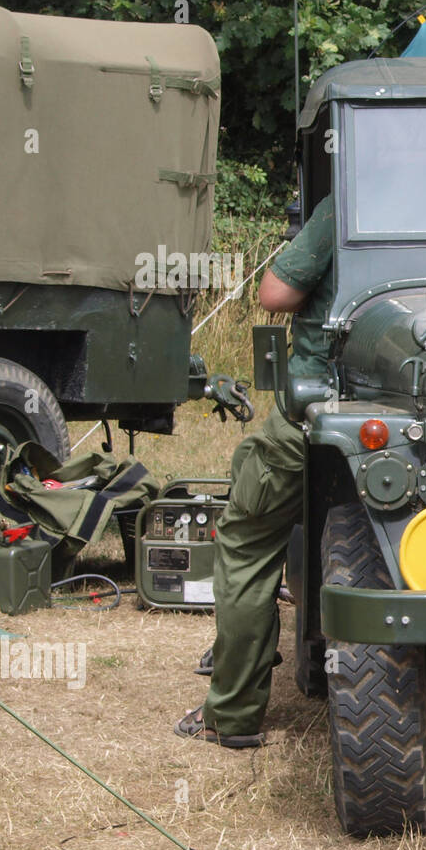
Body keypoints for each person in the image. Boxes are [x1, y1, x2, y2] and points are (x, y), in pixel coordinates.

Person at [174, 197, 334, 747]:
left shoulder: (359, 190)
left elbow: (275, 293)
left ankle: (233, 717)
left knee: (244, 544)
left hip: (320, 413)